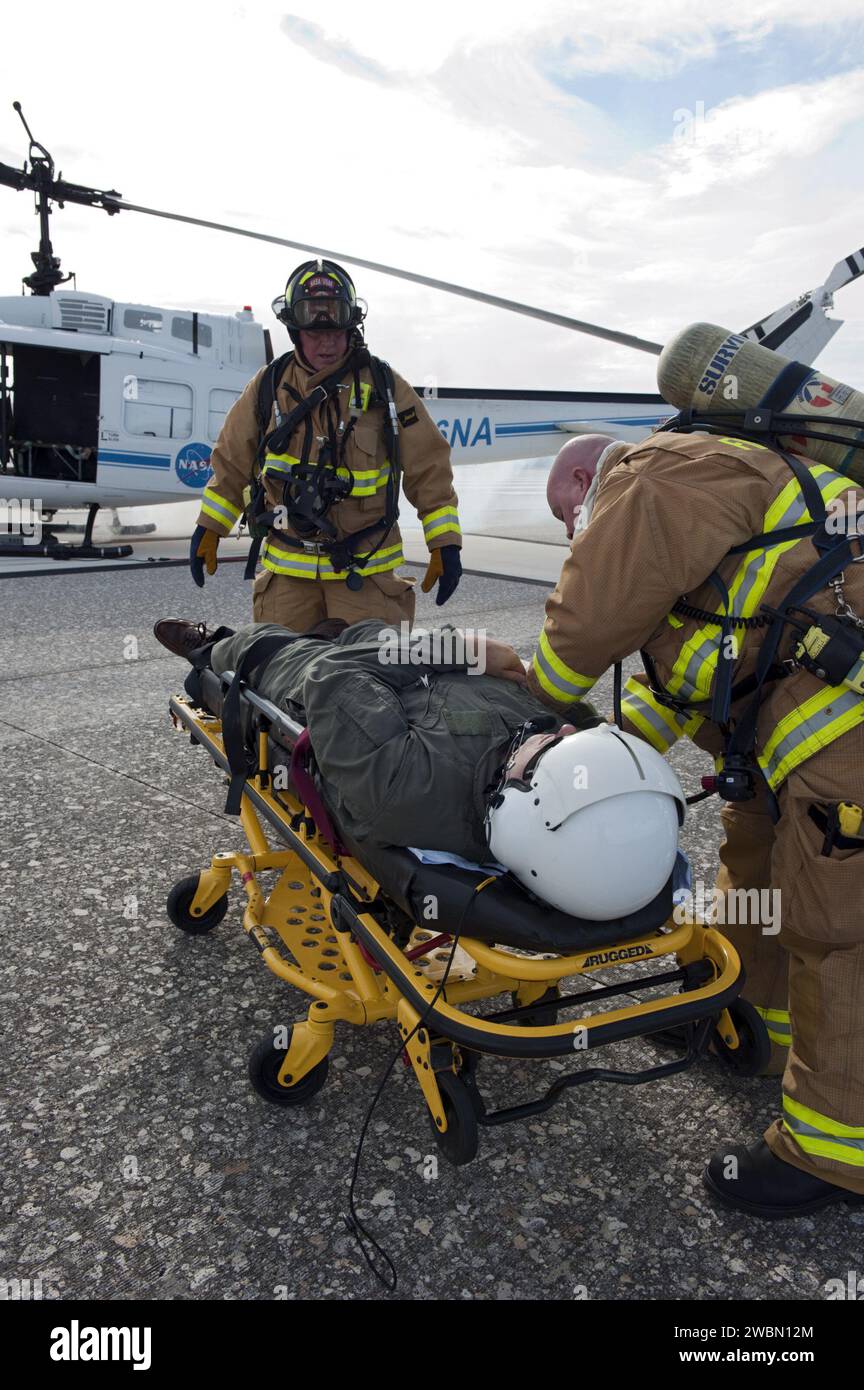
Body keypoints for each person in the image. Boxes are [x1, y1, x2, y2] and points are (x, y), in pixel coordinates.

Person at [532, 429, 864, 1217]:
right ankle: (750, 1023)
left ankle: (834, 1155)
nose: (576, 532)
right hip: (797, 746)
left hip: (846, 751)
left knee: (838, 934)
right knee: (755, 873)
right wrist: (595, 756)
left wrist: (531, 712)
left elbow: (580, 631)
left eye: (570, 517)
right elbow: (690, 673)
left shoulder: (653, 475)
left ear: (588, 476)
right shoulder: (719, 496)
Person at [155, 617, 684, 922]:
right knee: (368, 630)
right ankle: (349, 629)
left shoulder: (409, 784)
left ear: (523, 807)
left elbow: (333, 675)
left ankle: (210, 643)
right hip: (419, 677)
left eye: (550, 751)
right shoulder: (563, 775)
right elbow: (582, 737)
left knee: (270, 646)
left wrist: (465, 649)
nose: (564, 734)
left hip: (346, 688)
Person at [189, 258, 463, 627]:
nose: (327, 343)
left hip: (365, 576)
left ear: (352, 330)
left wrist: (445, 542)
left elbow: (428, 466)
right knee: (278, 678)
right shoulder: (267, 388)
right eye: (315, 334)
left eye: (336, 332)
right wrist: (209, 527)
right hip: (287, 579)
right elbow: (231, 463)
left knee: (366, 679)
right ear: (294, 331)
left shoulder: (385, 387)